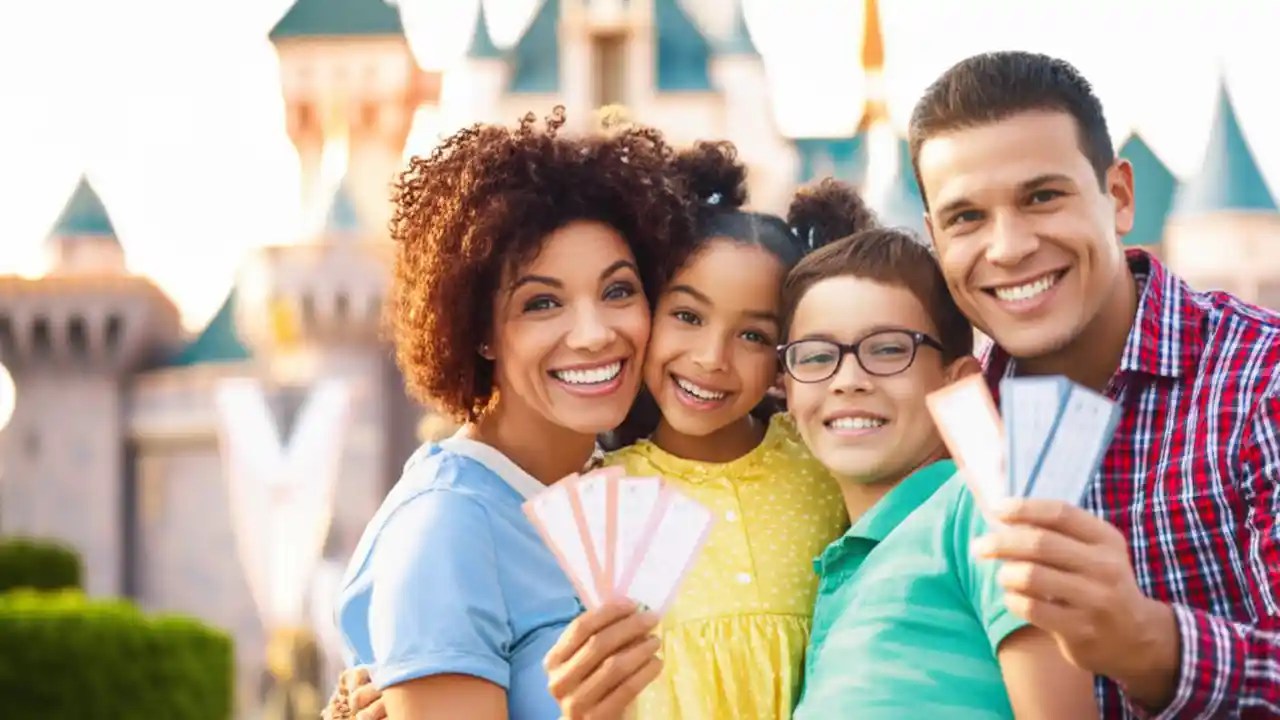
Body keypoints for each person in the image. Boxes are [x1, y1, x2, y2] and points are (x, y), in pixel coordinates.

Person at [543, 185, 1098, 719]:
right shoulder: (842, 568)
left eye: (887, 350)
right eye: (816, 356)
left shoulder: (981, 507)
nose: (847, 380)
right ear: (791, 380)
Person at [908, 51, 1280, 718]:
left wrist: (1151, 644)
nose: (1009, 246)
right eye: (966, 218)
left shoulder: (1262, 380)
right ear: (934, 237)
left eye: (1042, 197)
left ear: (1119, 197)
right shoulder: (940, 426)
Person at [330, 107, 692, 720]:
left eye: (618, 291)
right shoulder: (446, 526)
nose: (593, 333)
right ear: (480, 331)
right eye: (542, 303)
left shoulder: (625, 483)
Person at [550, 143, 852, 719]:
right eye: (687, 317)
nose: (712, 358)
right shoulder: (599, 496)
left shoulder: (825, 463)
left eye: (754, 336)